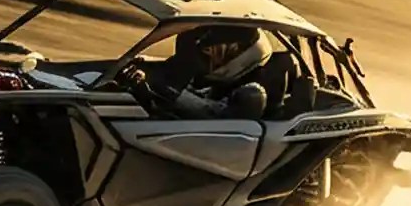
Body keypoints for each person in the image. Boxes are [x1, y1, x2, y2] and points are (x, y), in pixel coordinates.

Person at [118, 25, 299, 120]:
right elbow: (166, 72)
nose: (206, 58)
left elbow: (211, 117)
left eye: (218, 54)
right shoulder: (206, 80)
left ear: (243, 56)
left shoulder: (251, 96)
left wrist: (159, 90)